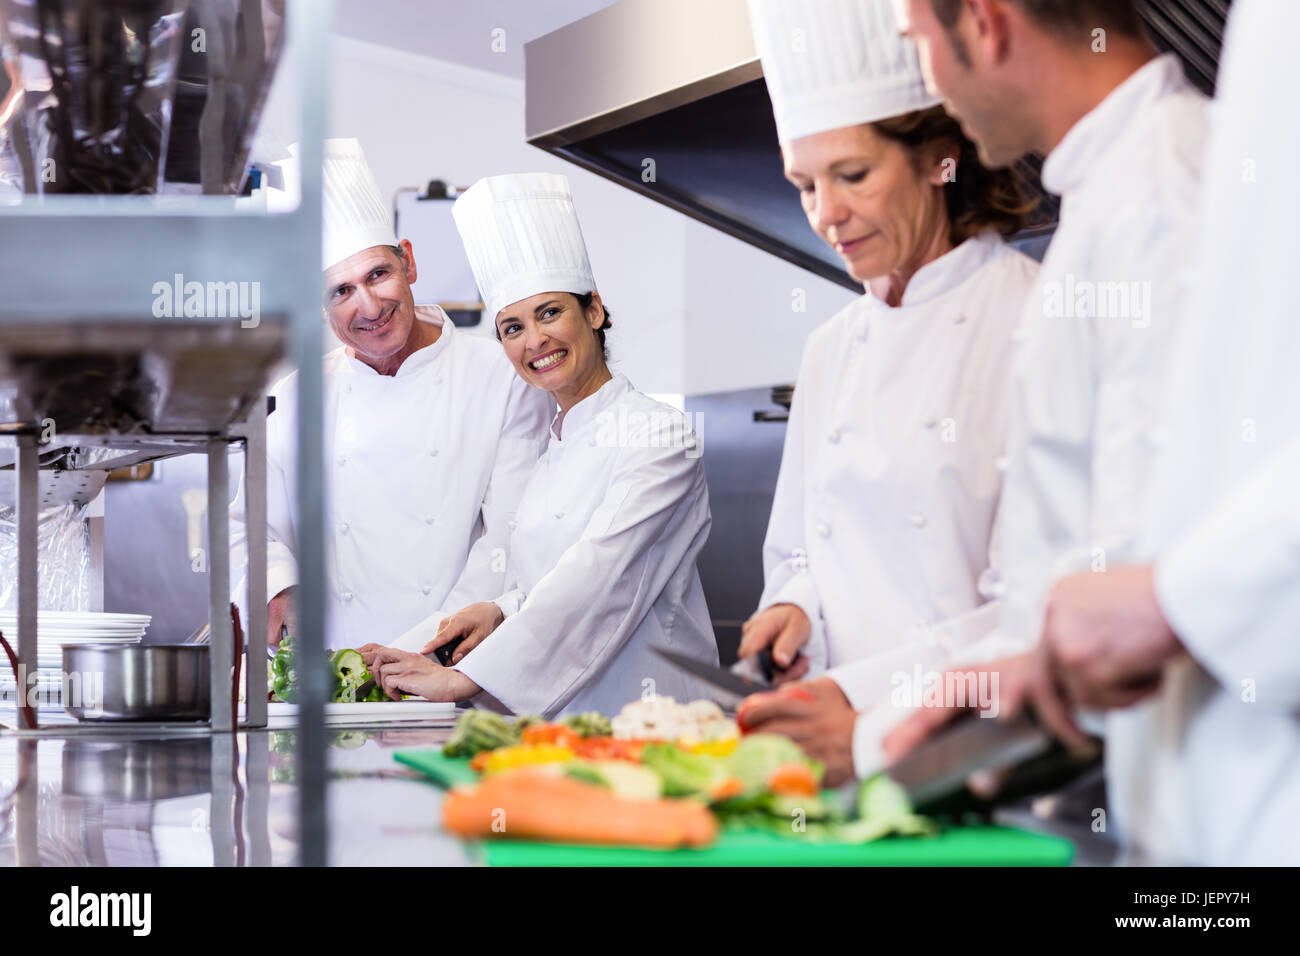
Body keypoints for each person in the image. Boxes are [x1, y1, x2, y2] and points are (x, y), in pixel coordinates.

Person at [891, 0, 1300, 865]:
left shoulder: (1165, 183)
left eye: (917, 42)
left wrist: (1162, 605)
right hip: (1181, 802)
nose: (928, 81)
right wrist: (1034, 666)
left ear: (987, 23)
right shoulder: (1115, 190)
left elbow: (1147, 557)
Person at [733, 0, 1040, 784]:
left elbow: (1038, 607)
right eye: (803, 185)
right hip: (833, 761)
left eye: (853, 175)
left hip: (974, 755)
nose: (825, 216)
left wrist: (860, 699)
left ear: (941, 159)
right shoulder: (830, 346)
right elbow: (803, 543)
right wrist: (793, 606)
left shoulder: (1037, 317)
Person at [368, 172, 717, 717]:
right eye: (511, 327)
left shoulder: (659, 435)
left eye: (550, 313)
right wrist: (498, 610)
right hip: (566, 726)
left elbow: (602, 574)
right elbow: (546, 581)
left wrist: (467, 678)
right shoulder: (550, 447)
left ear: (594, 311)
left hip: (651, 718)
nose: (535, 341)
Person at [229, 139, 552, 651]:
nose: (369, 305)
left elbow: (509, 536)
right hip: (333, 673)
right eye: (341, 291)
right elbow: (249, 524)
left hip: (455, 663)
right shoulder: (296, 398)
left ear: (408, 262)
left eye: (378, 274)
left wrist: (429, 647)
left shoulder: (503, 377)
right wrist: (280, 586)